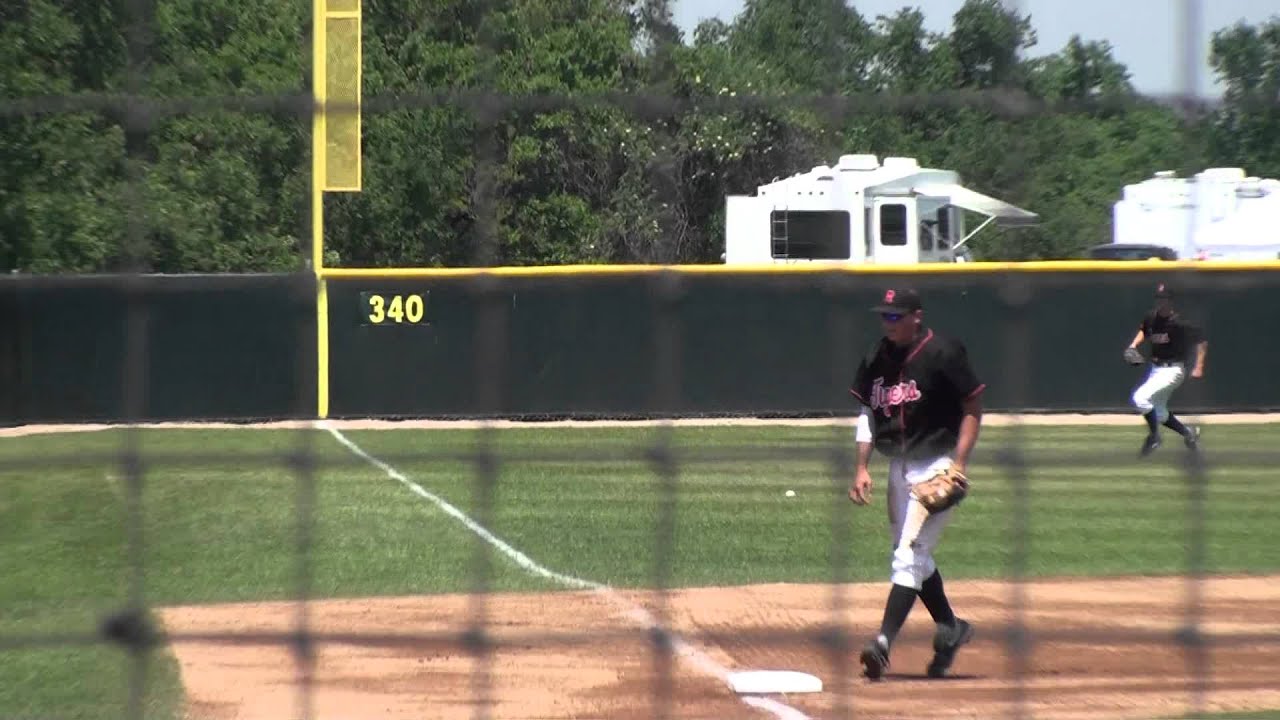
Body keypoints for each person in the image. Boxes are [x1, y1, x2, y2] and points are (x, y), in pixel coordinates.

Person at [848, 287, 985, 681]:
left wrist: (958, 464)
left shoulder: (943, 353)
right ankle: (951, 627)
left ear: (916, 317)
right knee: (910, 553)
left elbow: (973, 407)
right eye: (884, 316)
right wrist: (861, 466)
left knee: (908, 555)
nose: (887, 322)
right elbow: (866, 415)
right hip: (898, 467)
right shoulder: (876, 357)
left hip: (938, 465)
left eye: (895, 316)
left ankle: (883, 645)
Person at [1126, 282, 1208, 456]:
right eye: (1158, 297)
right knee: (1160, 412)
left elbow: (1202, 340)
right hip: (1156, 369)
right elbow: (1144, 330)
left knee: (1140, 398)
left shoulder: (1180, 323)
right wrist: (1133, 345)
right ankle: (1189, 434)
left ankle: (1155, 436)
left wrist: (1199, 366)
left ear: (1171, 300)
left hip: (1173, 370)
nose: (1160, 301)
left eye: (1164, 298)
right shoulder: (1152, 317)